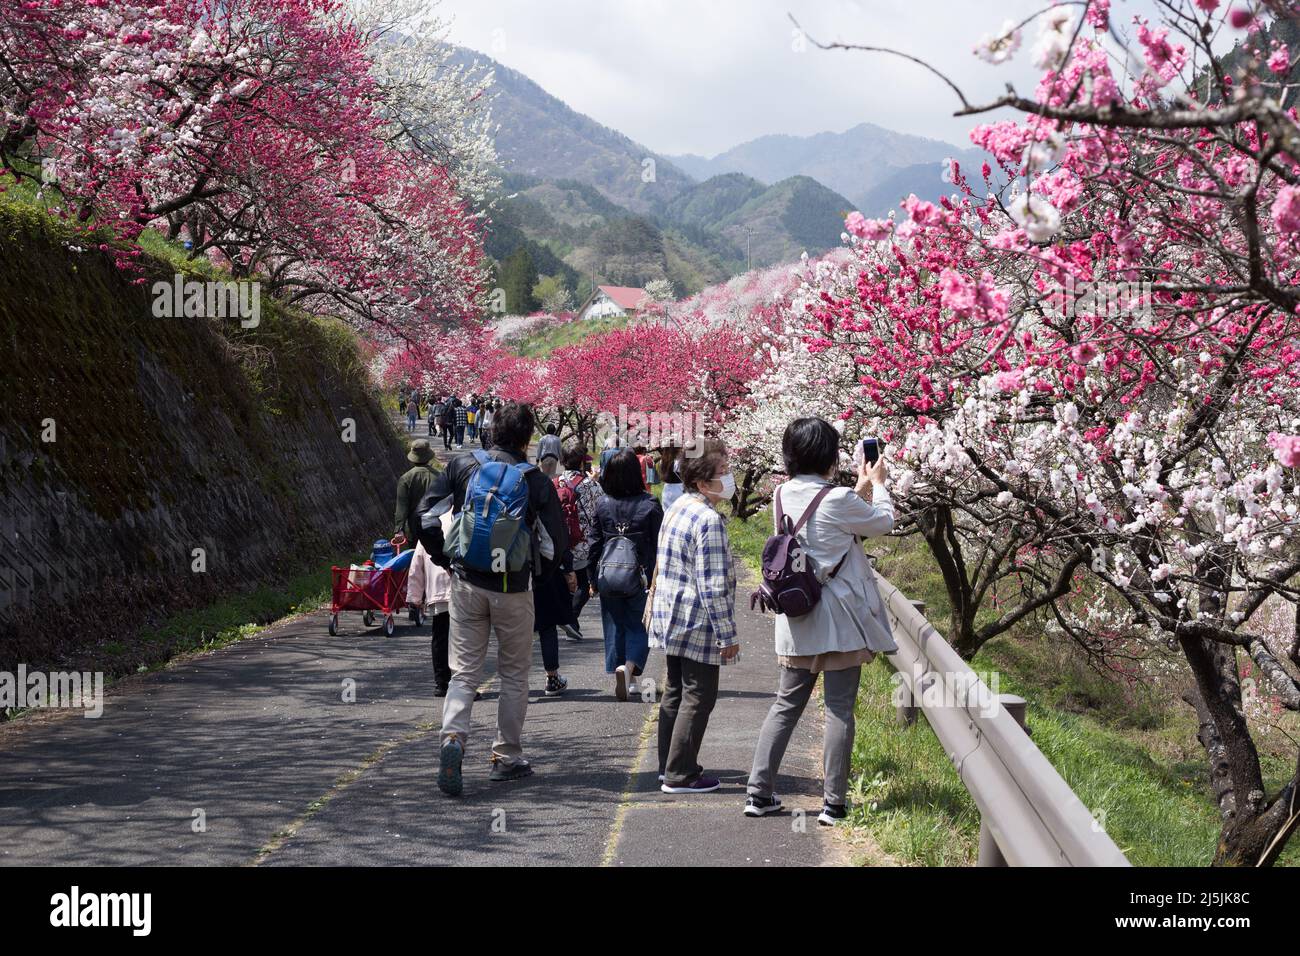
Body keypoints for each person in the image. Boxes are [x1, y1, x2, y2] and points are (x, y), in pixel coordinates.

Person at [744, 418, 896, 826]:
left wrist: (857, 489)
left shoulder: (780, 493)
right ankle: (833, 804)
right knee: (839, 710)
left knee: (785, 705)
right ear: (830, 456)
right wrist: (877, 484)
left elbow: (821, 519)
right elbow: (882, 523)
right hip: (840, 620)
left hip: (797, 615)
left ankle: (758, 794)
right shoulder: (839, 498)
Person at [417, 402, 569, 796]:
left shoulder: (463, 465)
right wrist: (537, 575)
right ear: (526, 438)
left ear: (490, 430)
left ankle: (453, 738)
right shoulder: (535, 480)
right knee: (514, 674)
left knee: (464, 672)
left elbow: (427, 518)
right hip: (513, 589)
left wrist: (444, 559)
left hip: (467, 584)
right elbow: (557, 544)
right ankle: (506, 757)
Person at [649, 438, 738, 793]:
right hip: (697, 620)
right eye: (723, 473)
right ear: (702, 483)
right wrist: (728, 636)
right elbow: (714, 585)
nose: (729, 478)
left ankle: (667, 764)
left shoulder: (678, 506)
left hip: (671, 615)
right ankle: (681, 773)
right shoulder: (708, 520)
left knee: (674, 690)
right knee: (699, 695)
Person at [589, 449, 662, 700]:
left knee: (615, 625)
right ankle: (629, 670)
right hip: (640, 576)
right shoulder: (650, 505)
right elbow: (659, 543)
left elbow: (593, 544)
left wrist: (591, 579)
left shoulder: (602, 504)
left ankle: (626, 676)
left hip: (608, 575)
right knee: (639, 626)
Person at [557, 444, 602, 639]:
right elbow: (601, 508)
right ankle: (570, 617)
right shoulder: (590, 485)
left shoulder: (555, 481)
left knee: (565, 580)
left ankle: (572, 624)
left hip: (560, 541)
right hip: (583, 542)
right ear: (583, 461)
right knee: (585, 584)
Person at [659, 445, 684, 512]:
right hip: (679, 489)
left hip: (666, 489)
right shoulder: (679, 462)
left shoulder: (662, 461)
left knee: (667, 512)